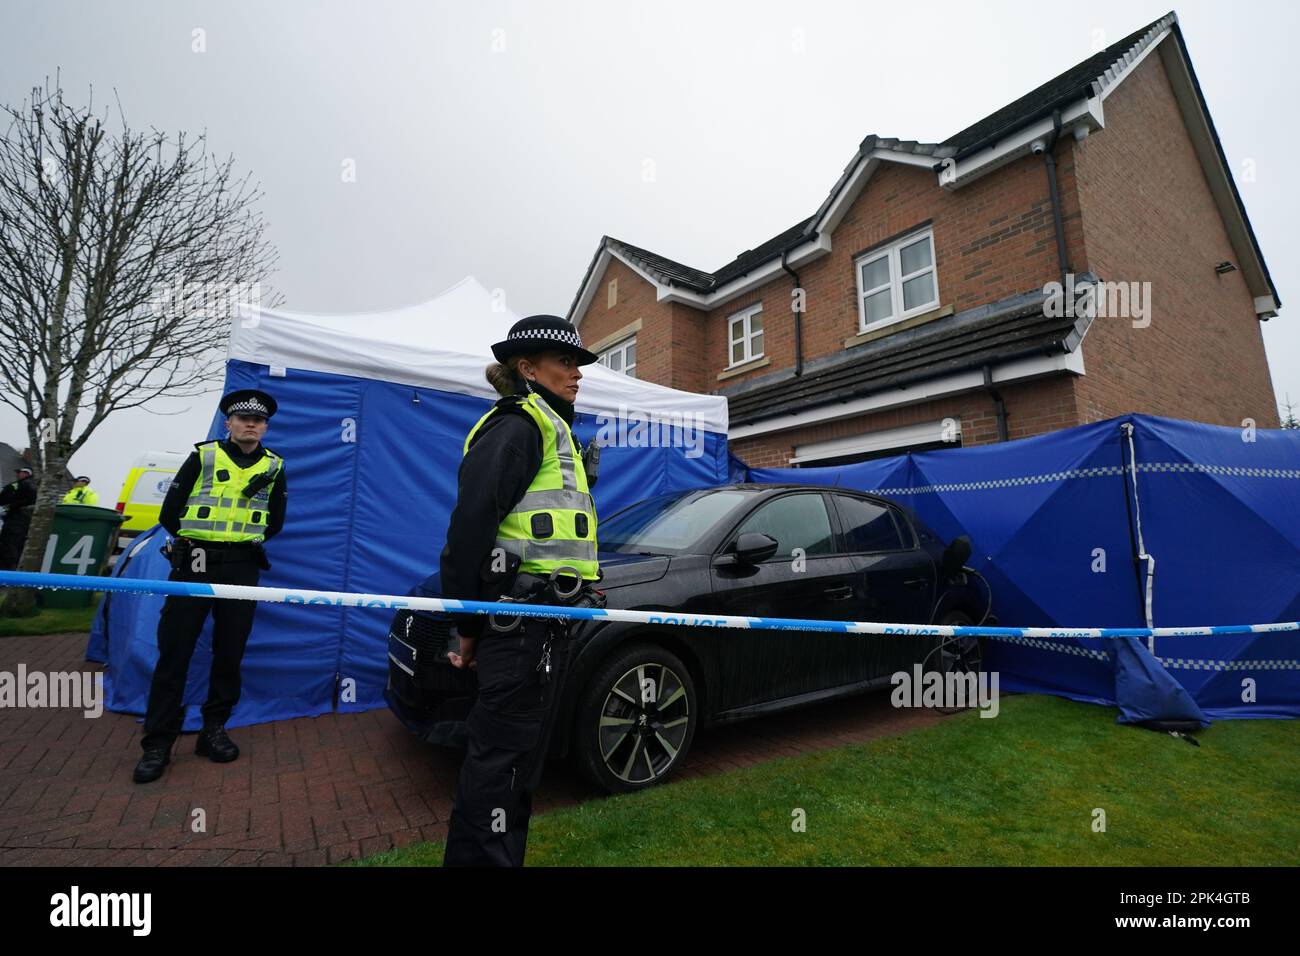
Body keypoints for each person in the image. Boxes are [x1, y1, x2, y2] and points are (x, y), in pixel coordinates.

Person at [440, 315, 602, 867]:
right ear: (527, 368)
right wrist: (468, 626)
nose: (577, 373)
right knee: (498, 777)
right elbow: (467, 532)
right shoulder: (518, 426)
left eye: (578, 363)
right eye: (566, 362)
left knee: (517, 771)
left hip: (544, 628)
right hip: (518, 629)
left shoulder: (557, 432)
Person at [133, 389, 288, 784]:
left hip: (242, 567)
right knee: (175, 651)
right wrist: (197, 543)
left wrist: (236, 543)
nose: (250, 424)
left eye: (257, 420)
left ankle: (213, 730)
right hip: (195, 563)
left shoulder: (274, 467)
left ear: (266, 426)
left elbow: (275, 521)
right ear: (229, 424)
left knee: (229, 652)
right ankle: (158, 742)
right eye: (242, 418)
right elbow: (170, 512)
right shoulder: (202, 456)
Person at [0, 465, 37, 570]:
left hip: (16, 520)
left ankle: (8, 569)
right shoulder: (33, 485)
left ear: (26, 474)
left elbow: (4, 499)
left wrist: (10, 506)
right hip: (22, 520)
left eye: (20, 472)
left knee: (9, 544)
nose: (18, 475)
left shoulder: (22, 485)